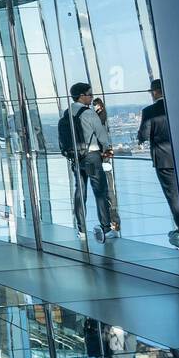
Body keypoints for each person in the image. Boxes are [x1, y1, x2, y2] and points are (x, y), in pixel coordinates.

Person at [61, 82, 116, 242]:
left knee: (80, 191)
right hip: (91, 156)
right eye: (89, 95)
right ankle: (106, 228)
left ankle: (81, 229)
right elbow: (101, 134)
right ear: (81, 96)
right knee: (100, 191)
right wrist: (107, 148)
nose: (92, 98)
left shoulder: (67, 112)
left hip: (76, 157)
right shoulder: (89, 113)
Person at [138, 79, 179, 248]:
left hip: (164, 160)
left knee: (173, 196)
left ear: (156, 92)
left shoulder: (149, 111)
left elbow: (144, 134)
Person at [93, 95, 121, 234]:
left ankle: (111, 218)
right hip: (103, 154)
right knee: (108, 182)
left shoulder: (100, 118)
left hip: (102, 154)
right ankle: (112, 214)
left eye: (96, 105)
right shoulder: (101, 118)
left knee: (107, 183)